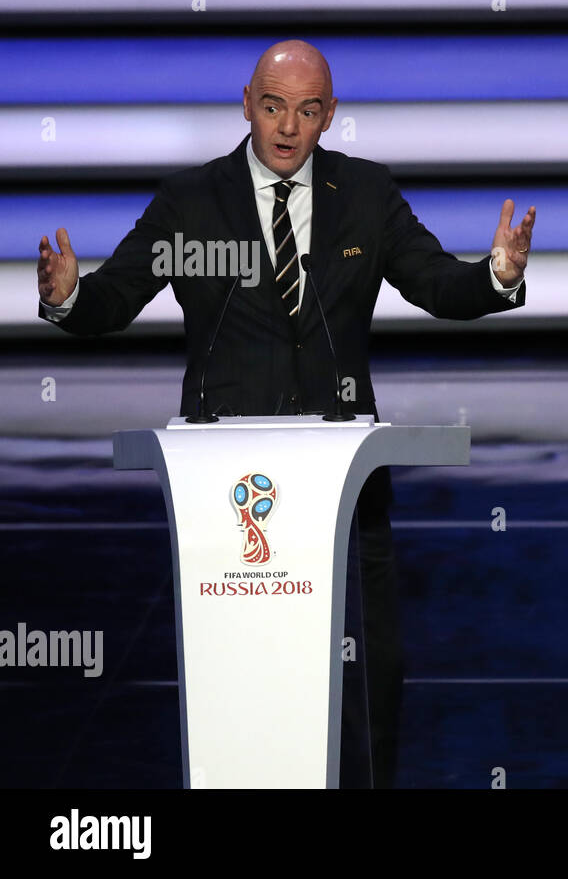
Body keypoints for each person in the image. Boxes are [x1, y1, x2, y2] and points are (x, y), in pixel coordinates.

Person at [35, 39, 535, 788]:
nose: (287, 127)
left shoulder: (365, 195)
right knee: (242, 674)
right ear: (246, 104)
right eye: (273, 106)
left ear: (330, 116)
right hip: (228, 495)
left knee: (368, 673)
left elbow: (437, 284)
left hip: (345, 492)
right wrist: (67, 295)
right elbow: (115, 299)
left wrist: (496, 275)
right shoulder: (191, 203)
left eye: (307, 111)